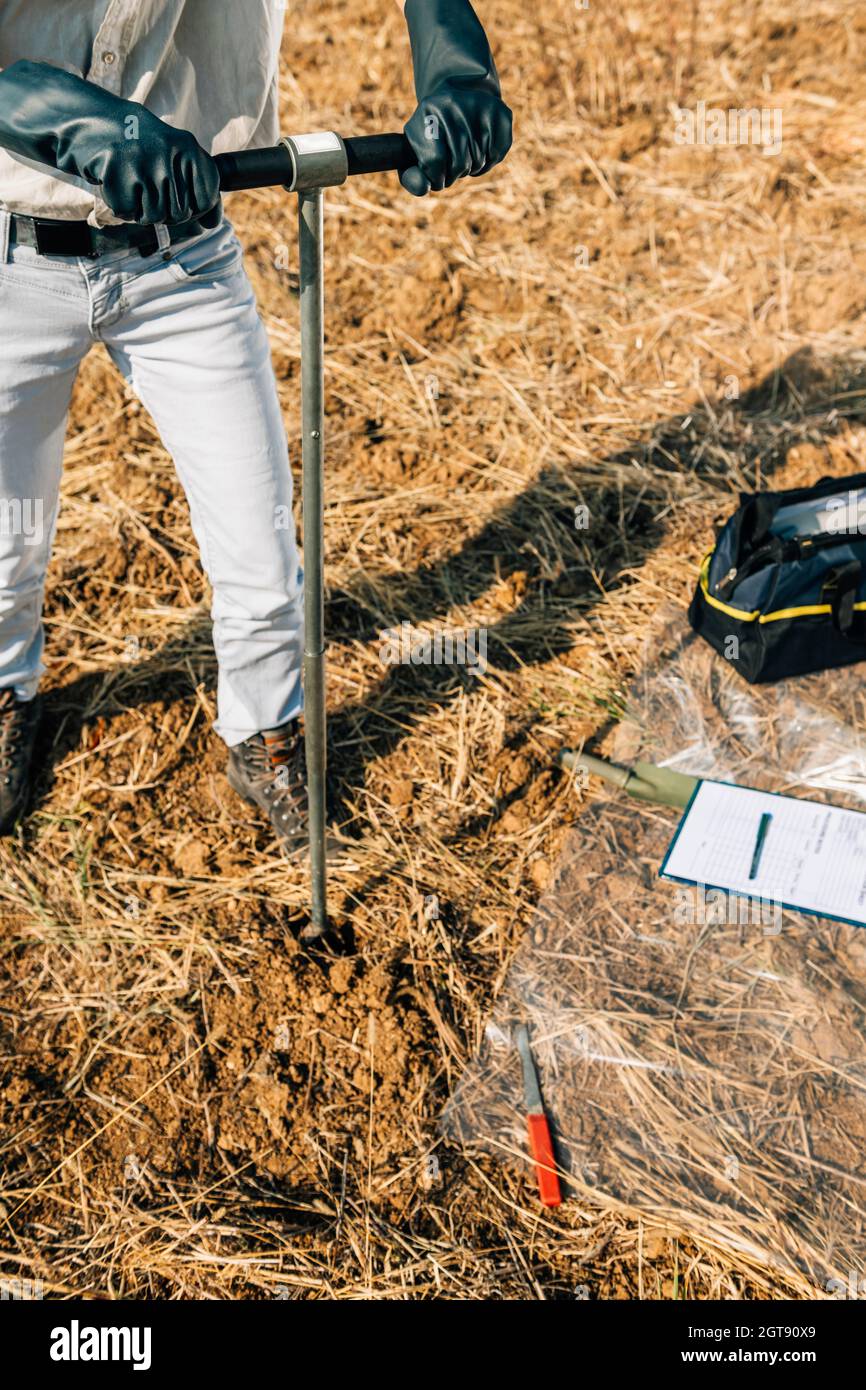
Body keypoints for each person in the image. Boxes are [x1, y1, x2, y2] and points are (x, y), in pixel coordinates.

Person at [0, 1, 511, 846]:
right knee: (7, 538)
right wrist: (78, 121)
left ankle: (264, 730)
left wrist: (455, 63)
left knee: (262, 544)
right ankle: (8, 691)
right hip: (14, 252)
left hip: (184, 254)